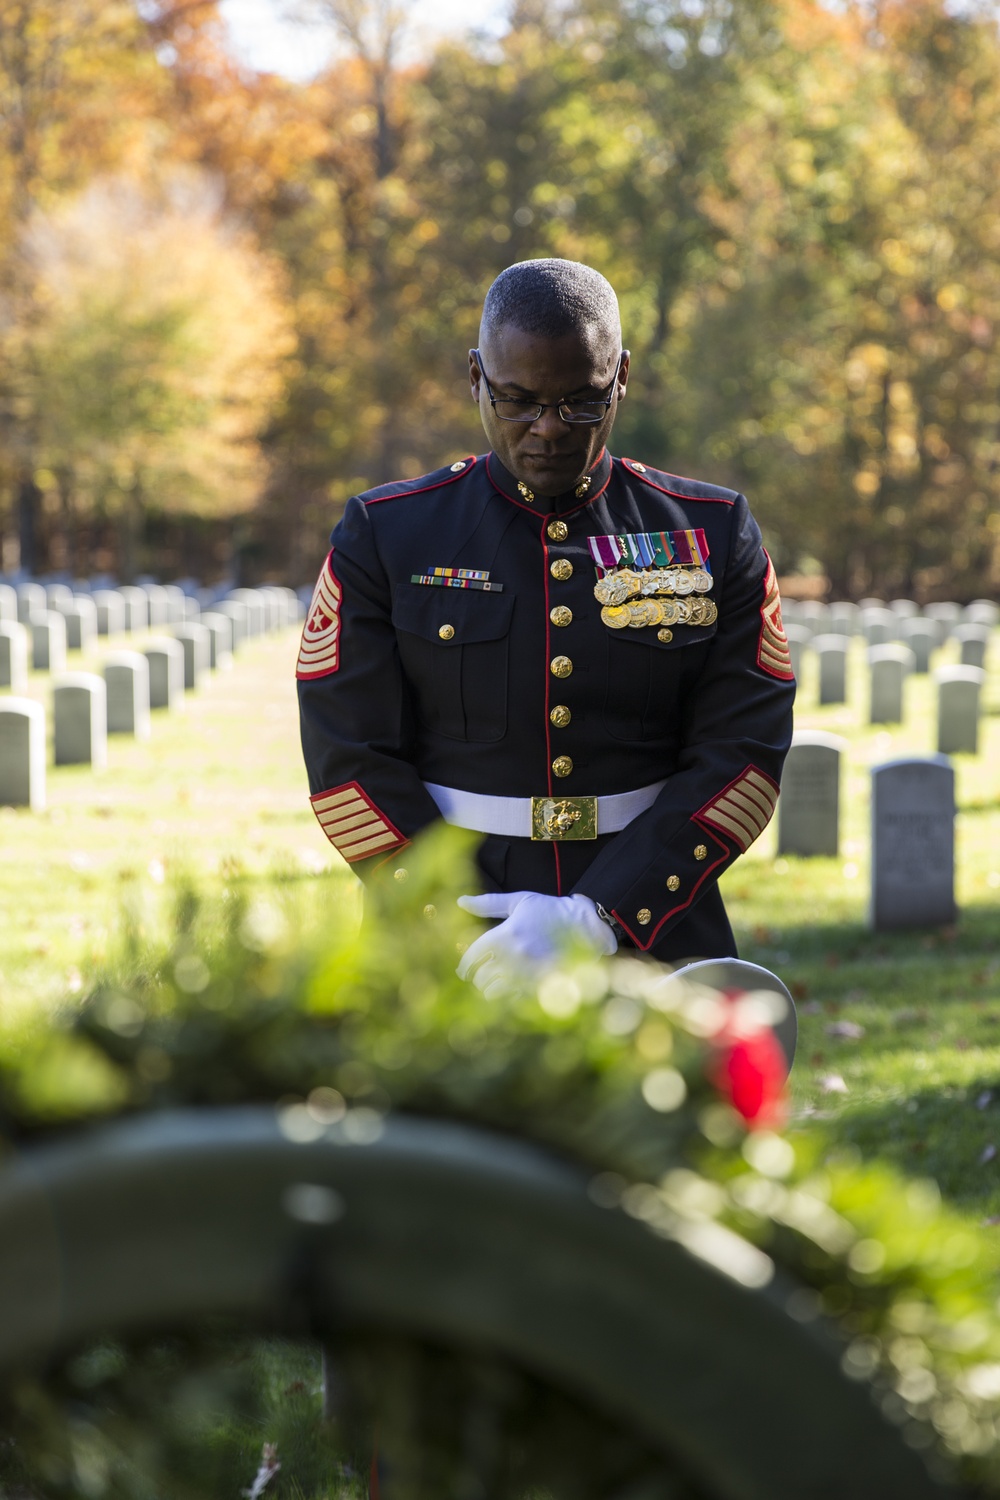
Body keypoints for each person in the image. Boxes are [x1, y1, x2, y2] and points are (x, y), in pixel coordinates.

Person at [297, 258, 795, 993]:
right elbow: (349, 759)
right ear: (476, 376)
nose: (551, 430)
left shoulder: (711, 532)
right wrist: (453, 920)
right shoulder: (391, 534)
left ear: (621, 376)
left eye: (583, 403)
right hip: (453, 943)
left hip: (653, 929)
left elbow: (743, 752)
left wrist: (601, 916)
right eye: (518, 400)